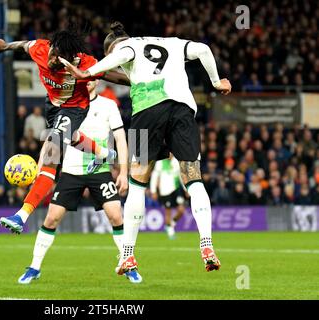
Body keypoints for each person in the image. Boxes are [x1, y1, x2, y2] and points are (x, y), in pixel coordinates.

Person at [61, 22, 231, 277]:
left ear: (110, 50)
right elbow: (204, 50)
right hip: (183, 111)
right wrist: (217, 82)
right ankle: (206, 244)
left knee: (138, 184)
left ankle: (128, 254)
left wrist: (88, 73)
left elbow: (122, 55)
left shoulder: (126, 47)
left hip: (147, 114)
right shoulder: (172, 42)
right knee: (194, 180)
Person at [0, 28, 130, 235]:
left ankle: (21, 215)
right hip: (53, 106)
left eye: (58, 57)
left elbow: (112, 75)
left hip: (75, 108)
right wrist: (5, 47)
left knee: (49, 153)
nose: (52, 59)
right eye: (52, 53)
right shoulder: (41, 48)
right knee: (70, 137)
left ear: (70, 58)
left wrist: (137, 80)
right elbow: (22, 45)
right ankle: (104, 154)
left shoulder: (85, 63)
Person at [18, 80, 141, 284]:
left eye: (92, 78)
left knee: (116, 215)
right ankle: (34, 267)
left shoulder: (108, 105)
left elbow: (120, 138)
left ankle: (128, 263)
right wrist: (41, 166)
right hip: (71, 170)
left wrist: (123, 172)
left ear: (98, 80)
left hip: (99, 169)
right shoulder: (67, 106)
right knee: (51, 218)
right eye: (85, 78)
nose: (89, 82)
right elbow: (53, 138)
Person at [150, 155, 187, 240]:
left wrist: (185, 188)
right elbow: (155, 176)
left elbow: (180, 176)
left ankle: (172, 223)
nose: (170, 154)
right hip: (165, 191)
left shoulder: (176, 161)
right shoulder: (160, 162)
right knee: (168, 212)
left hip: (176, 189)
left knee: (181, 210)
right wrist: (153, 191)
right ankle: (170, 232)